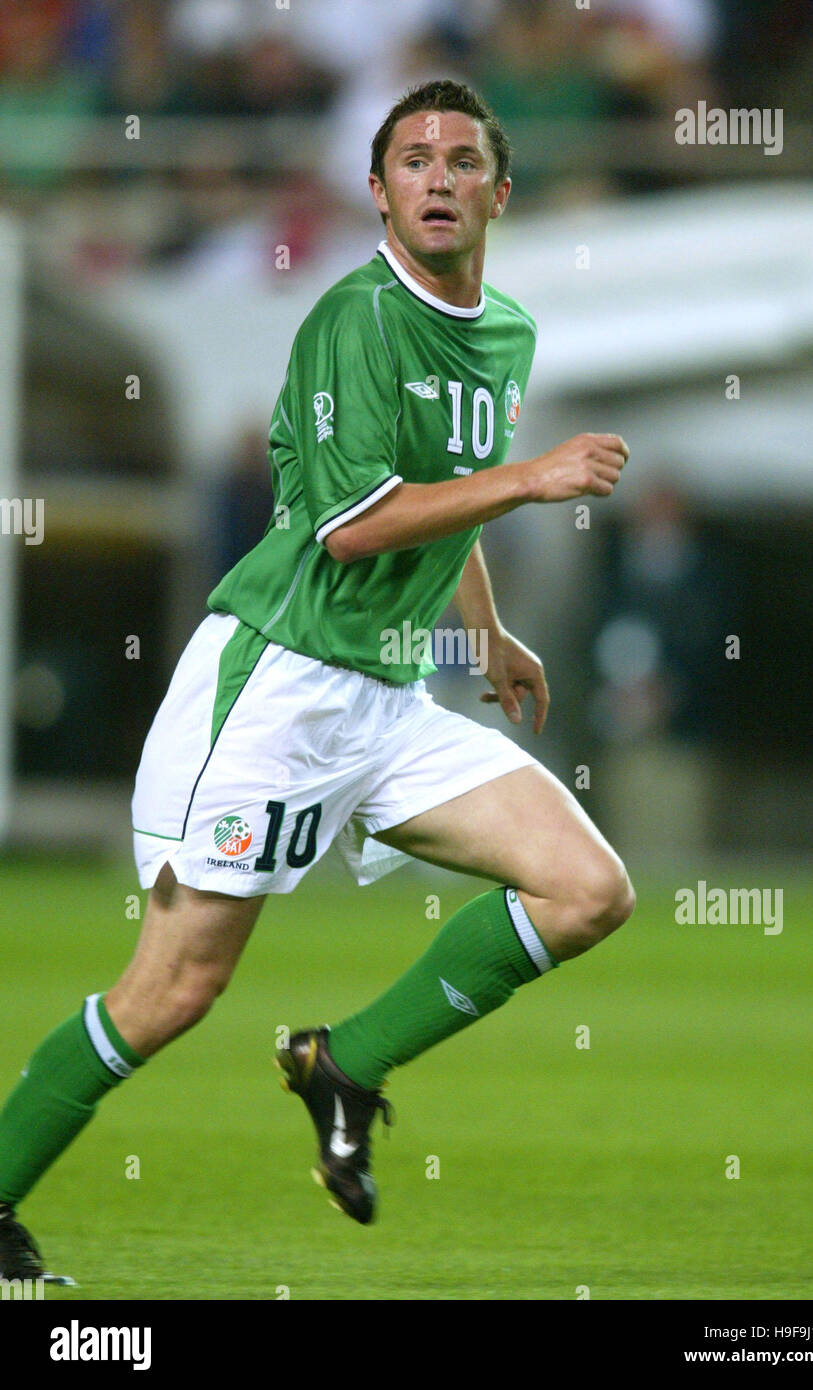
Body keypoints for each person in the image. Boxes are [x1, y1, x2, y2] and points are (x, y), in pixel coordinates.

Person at [0, 79, 634, 1281]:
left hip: (390, 702)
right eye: (410, 160)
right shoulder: (353, 318)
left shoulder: (502, 329)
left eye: (459, 160)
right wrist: (532, 478)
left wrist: (486, 632)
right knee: (171, 989)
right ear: (380, 192)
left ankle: (343, 1061)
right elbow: (353, 526)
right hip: (277, 686)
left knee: (584, 888)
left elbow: (444, 492)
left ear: (499, 190)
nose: (436, 177)